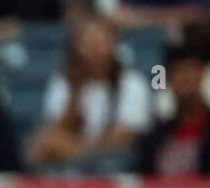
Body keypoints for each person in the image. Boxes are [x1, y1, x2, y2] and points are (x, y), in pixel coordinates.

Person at [27, 13, 151, 168]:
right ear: (76, 48)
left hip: (115, 156)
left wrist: (82, 150)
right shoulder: (64, 81)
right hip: (74, 153)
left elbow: (128, 133)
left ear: (113, 45)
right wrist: (74, 96)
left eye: (101, 43)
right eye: (89, 44)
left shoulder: (132, 81)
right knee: (41, 142)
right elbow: (55, 130)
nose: (96, 51)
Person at [136, 41, 210, 174]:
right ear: (169, 78)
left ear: (201, 75)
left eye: (191, 70)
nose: (185, 78)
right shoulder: (154, 138)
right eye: (178, 71)